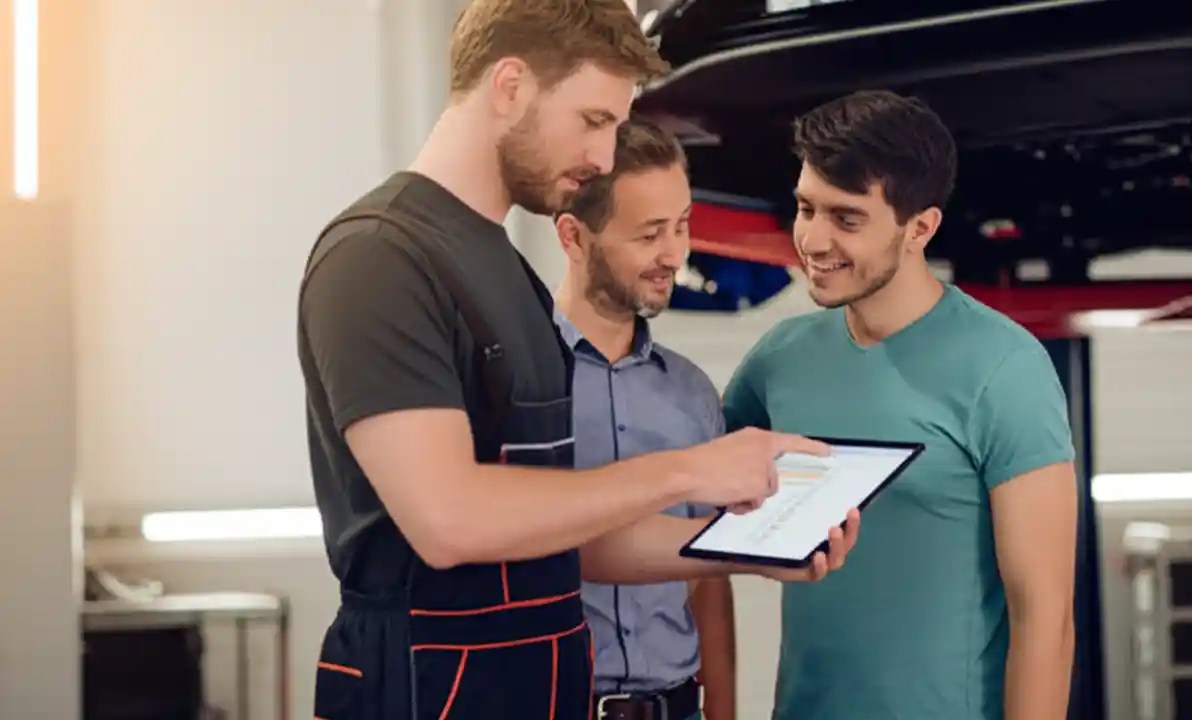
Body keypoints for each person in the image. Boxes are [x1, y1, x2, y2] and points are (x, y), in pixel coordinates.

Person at [295, 2, 860, 718]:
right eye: (594, 121)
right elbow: (448, 520)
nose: (601, 158)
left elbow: (564, 541)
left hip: (537, 682)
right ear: (510, 86)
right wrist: (691, 469)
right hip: (423, 687)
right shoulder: (379, 258)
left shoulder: (507, 275)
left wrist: (750, 549)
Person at [721, 89, 1079, 720]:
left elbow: (1045, 619)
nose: (813, 238)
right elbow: (694, 508)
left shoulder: (1004, 369)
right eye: (806, 207)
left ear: (921, 227)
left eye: (847, 218)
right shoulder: (778, 358)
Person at [551, 118, 735, 720]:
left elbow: (709, 577)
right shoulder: (514, 386)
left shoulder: (692, 393)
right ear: (574, 238)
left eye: (682, 227)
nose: (675, 255)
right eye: (650, 234)